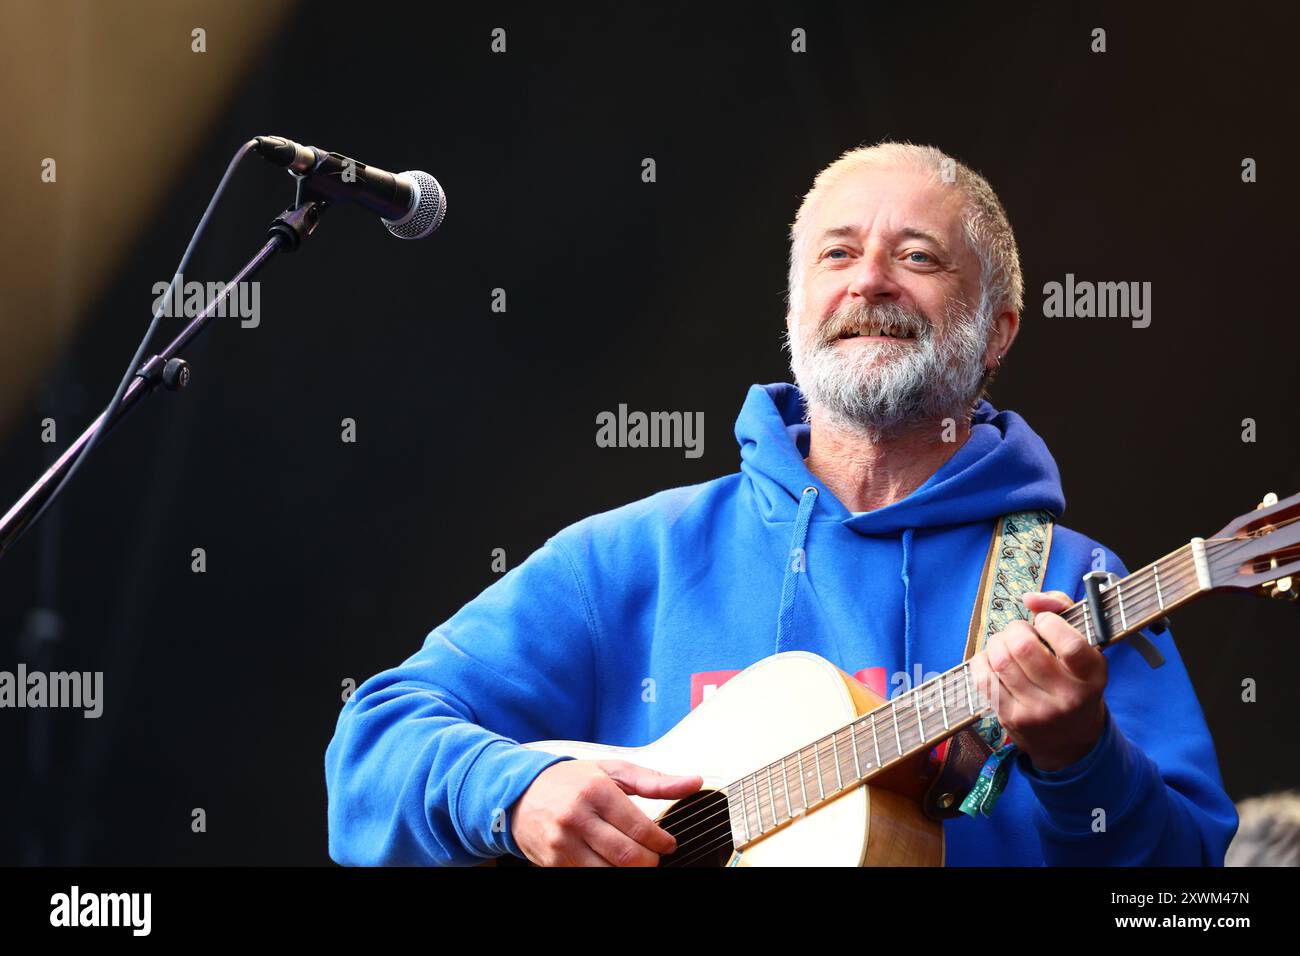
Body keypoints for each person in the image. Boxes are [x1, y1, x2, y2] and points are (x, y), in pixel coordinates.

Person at [324, 142, 1239, 866]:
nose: (869, 279)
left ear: (996, 329)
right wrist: (514, 794)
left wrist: (1086, 757)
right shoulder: (634, 556)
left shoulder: (1068, 585)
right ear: (797, 307)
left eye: (917, 257)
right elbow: (371, 749)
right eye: (838, 253)